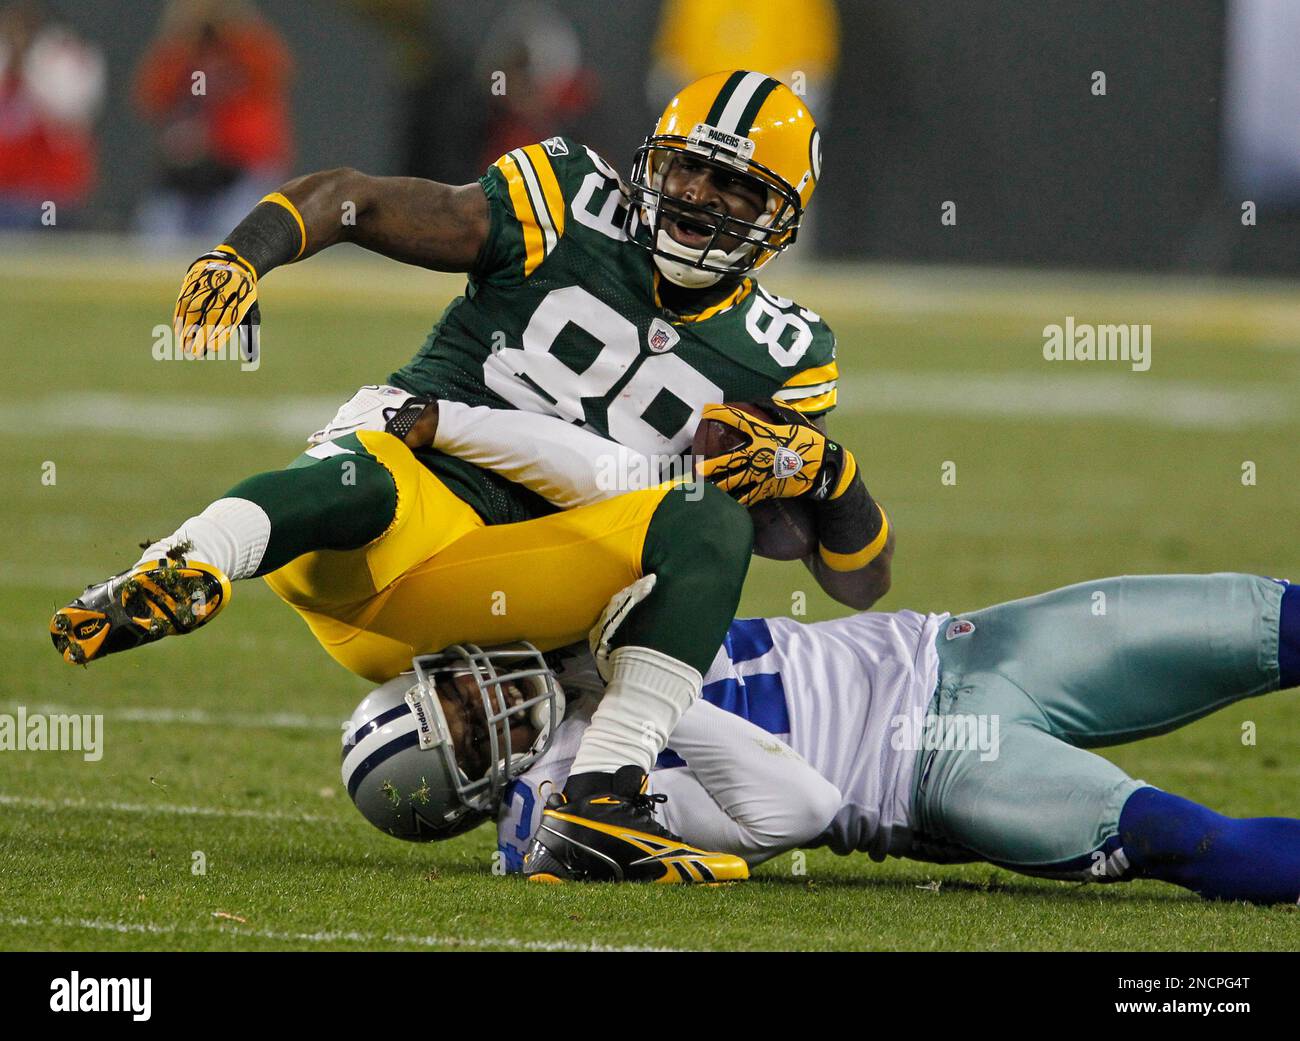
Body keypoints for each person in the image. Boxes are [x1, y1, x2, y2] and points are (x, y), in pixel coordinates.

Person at [52, 72, 889, 884]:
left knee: (711, 518)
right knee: (367, 463)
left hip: (532, 584)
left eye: (736, 187)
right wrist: (243, 256)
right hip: (399, 529)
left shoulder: (784, 352)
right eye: (690, 167)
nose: (702, 195)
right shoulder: (565, 200)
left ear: (778, 219)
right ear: (652, 162)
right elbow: (360, 199)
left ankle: (600, 797)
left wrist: (830, 473)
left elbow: (853, 580)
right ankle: (182, 563)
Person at [345, 572, 1300, 901]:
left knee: (1269, 620)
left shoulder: (546, 625)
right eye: (473, 731)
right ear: (475, 793)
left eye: (457, 687)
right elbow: (799, 808)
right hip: (935, 773)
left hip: (958, 641)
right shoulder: (577, 804)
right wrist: (650, 689)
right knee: (1191, 840)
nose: (491, 694)